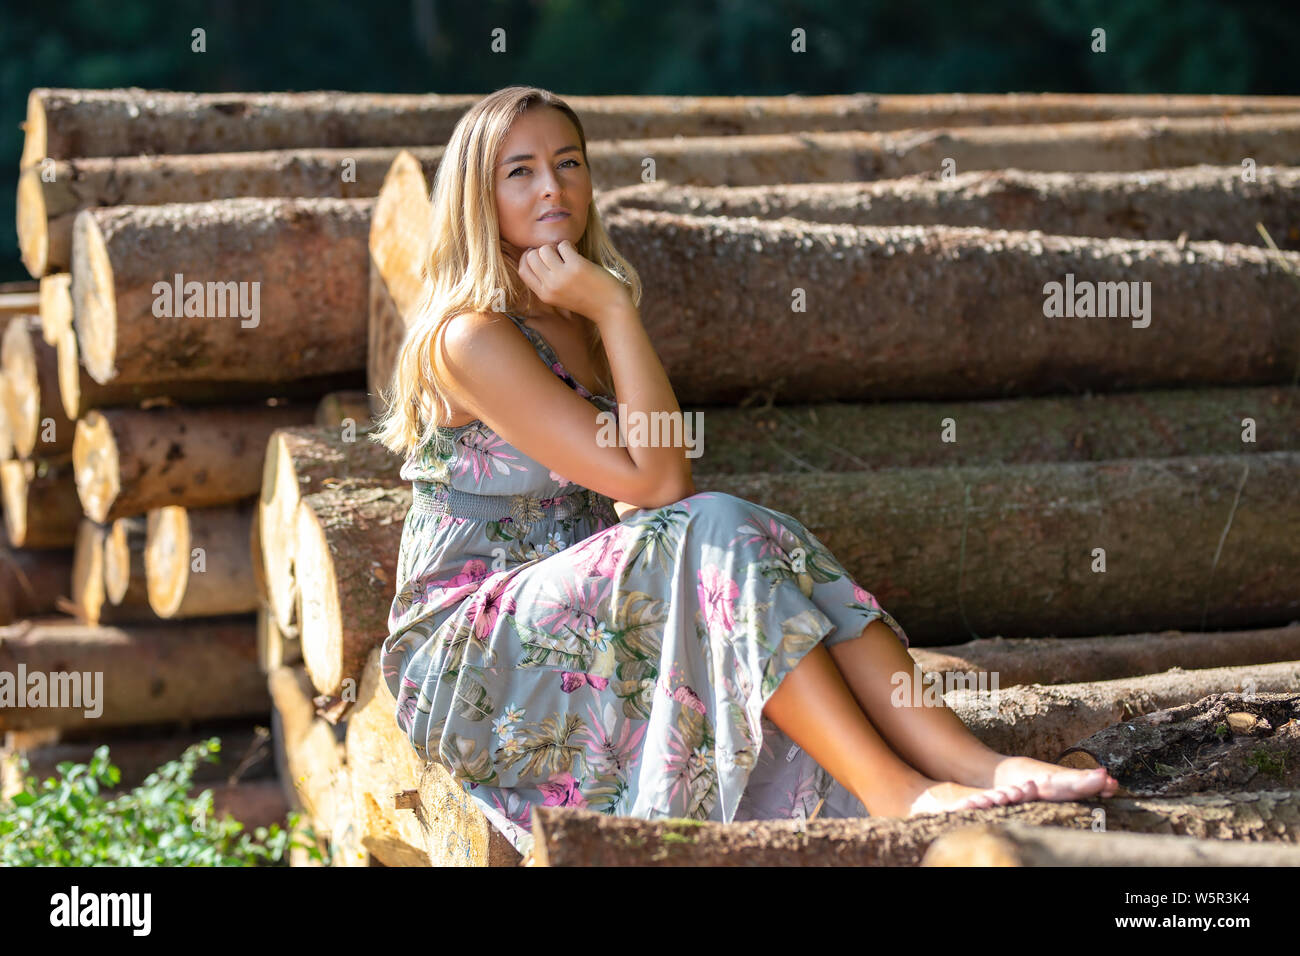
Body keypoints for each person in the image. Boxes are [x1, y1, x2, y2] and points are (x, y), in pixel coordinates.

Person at [369, 85, 1117, 859]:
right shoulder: (473, 337)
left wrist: (605, 314)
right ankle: (898, 793)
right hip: (470, 658)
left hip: (575, 616)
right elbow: (658, 486)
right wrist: (620, 311)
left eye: (568, 163)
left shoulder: (575, 310)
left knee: (759, 533)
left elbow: (662, 486)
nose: (553, 187)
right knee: (719, 521)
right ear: (476, 196)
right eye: (519, 172)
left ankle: (972, 762)